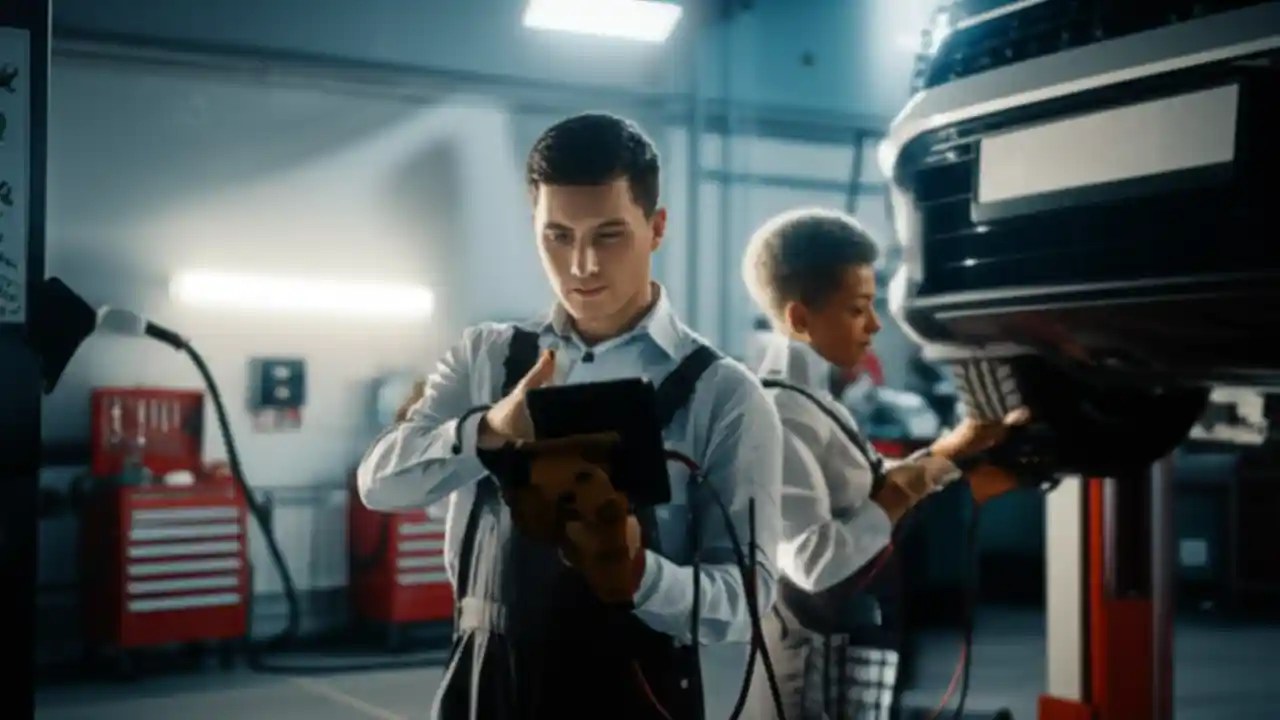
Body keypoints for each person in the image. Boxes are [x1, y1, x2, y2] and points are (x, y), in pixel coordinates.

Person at [357, 112, 784, 720]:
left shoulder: (724, 395)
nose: (581, 264)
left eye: (608, 235)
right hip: (487, 684)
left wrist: (640, 577)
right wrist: (489, 430)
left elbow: (746, 600)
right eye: (557, 236)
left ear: (656, 227)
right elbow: (378, 484)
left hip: (635, 696)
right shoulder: (487, 357)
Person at [740, 208, 1028, 719]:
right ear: (799, 319)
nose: (874, 326)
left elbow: (867, 498)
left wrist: (958, 449)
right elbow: (816, 563)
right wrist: (911, 484)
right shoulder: (780, 414)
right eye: (858, 309)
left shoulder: (813, 403)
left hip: (848, 647)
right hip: (813, 671)